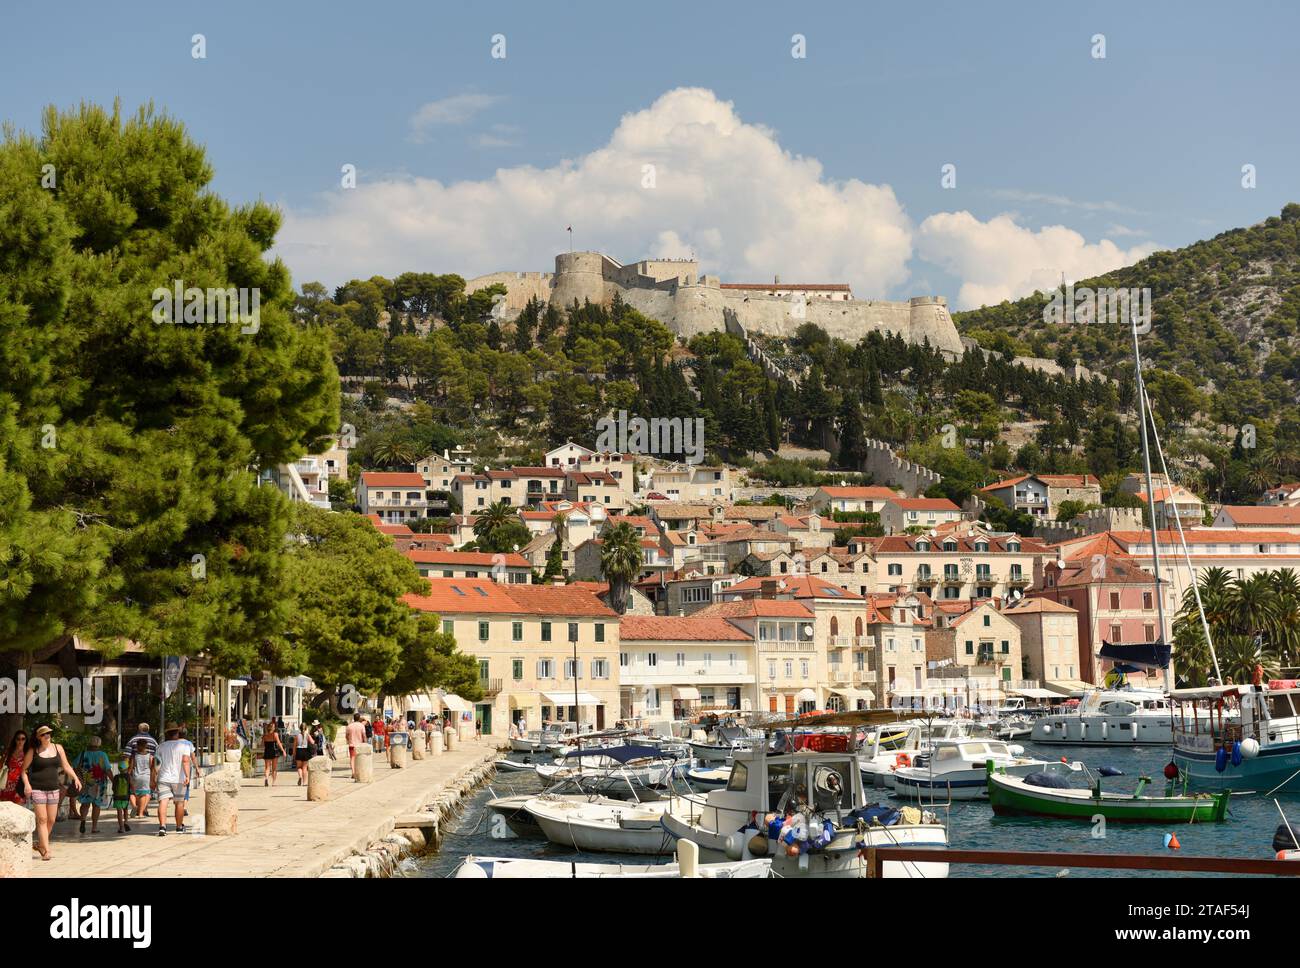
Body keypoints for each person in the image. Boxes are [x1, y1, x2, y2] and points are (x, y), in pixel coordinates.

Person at [22, 725, 80, 860]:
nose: (47, 735)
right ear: (38, 737)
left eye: (48, 733)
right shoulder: (33, 751)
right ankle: (46, 851)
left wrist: (75, 778)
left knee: (51, 820)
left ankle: (41, 844)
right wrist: (27, 785)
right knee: (42, 819)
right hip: (37, 789)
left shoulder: (58, 748)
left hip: (54, 788)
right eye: (43, 734)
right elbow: (23, 770)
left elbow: (66, 766)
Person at [152, 725, 192, 835]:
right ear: (177, 733)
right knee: (179, 803)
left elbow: (156, 764)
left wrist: (153, 778)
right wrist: (187, 776)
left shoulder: (160, 747)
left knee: (163, 802)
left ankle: (162, 827)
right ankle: (179, 827)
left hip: (163, 778)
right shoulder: (184, 746)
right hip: (179, 779)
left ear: (167, 734)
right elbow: (185, 761)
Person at [73, 736, 112, 834]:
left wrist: (78, 777)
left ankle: (83, 820)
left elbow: (74, 766)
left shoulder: (83, 753)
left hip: (86, 782)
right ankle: (94, 827)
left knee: (85, 804)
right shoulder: (102, 755)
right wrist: (114, 781)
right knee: (96, 805)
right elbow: (107, 769)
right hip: (99, 784)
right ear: (99, 744)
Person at [129, 739, 153, 821]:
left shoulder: (134, 756)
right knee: (143, 794)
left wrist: (128, 776)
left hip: (136, 776)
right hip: (146, 777)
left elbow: (131, 768)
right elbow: (151, 767)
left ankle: (134, 806)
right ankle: (140, 813)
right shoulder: (150, 756)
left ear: (137, 746)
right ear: (146, 746)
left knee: (132, 793)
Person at [1, 730, 27, 805]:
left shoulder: (27, 753)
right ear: (15, 740)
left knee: (19, 809)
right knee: (5, 809)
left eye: (23, 739)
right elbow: (1, 765)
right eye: (18, 739)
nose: (20, 741)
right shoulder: (9, 751)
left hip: (19, 784)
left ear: (26, 740)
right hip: (6, 784)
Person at [111, 754, 132, 834]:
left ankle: (121, 827)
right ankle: (126, 822)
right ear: (127, 767)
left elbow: (113, 787)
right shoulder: (128, 777)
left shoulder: (116, 777)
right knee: (125, 810)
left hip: (117, 797)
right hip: (126, 797)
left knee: (119, 812)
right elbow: (132, 786)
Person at [262, 719, 286, 787]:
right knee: (274, 768)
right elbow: (278, 743)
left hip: (267, 751)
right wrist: (283, 751)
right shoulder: (275, 734)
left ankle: (266, 778)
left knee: (267, 768)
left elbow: (262, 745)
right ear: (273, 728)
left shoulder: (265, 735)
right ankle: (273, 782)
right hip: (274, 751)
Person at [292, 721, 312, 786]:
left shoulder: (297, 736)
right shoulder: (307, 735)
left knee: (299, 767)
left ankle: (300, 776)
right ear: (306, 728)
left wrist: (294, 754)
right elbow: (312, 742)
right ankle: (305, 782)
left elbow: (294, 746)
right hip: (306, 751)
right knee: (304, 768)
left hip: (299, 751)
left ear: (299, 728)